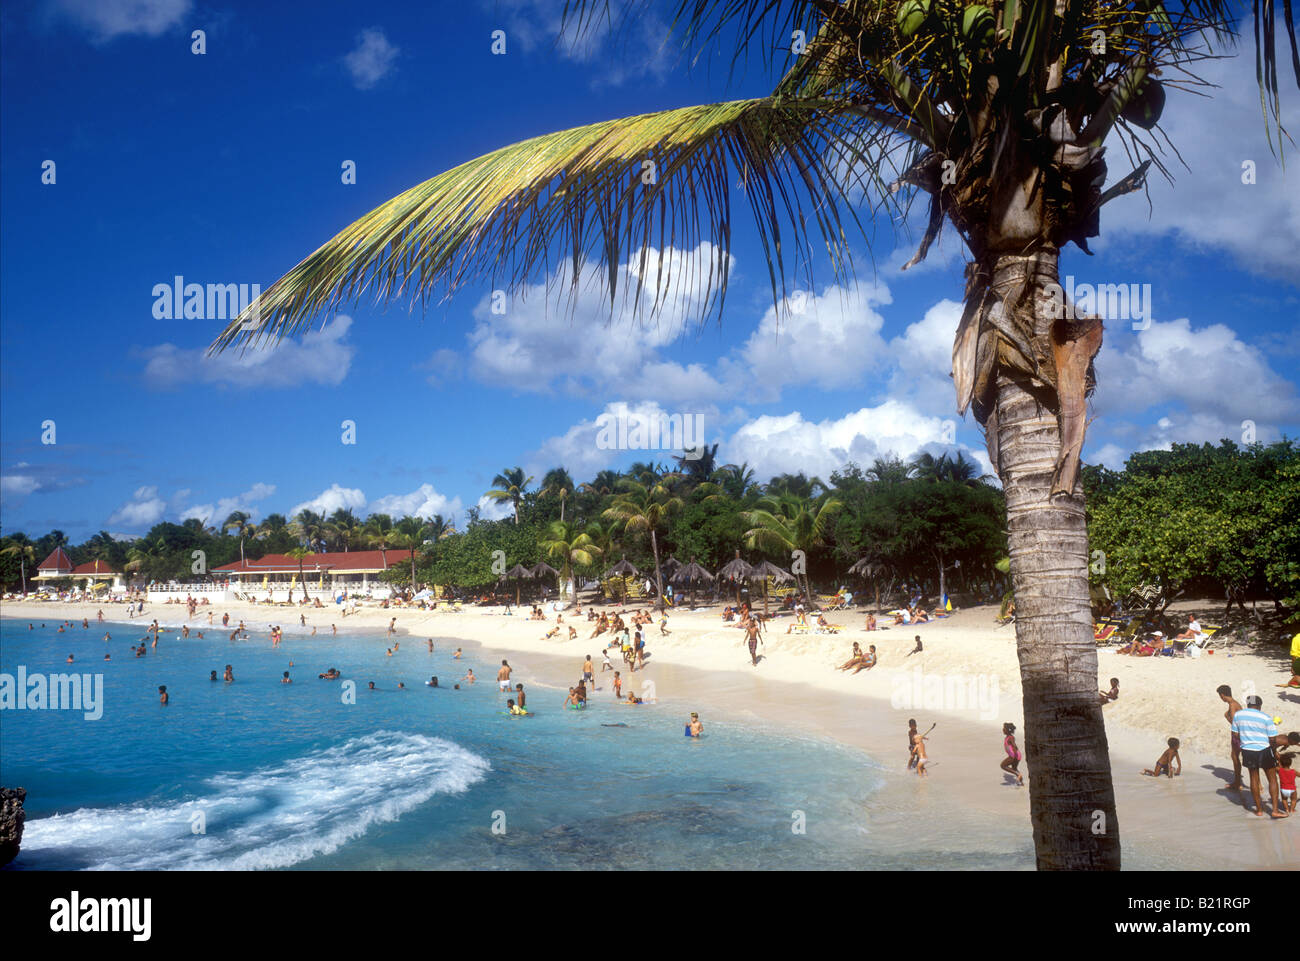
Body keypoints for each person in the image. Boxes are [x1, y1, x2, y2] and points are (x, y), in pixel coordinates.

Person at [1232, 696, 1287, 818]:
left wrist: (1246, 740)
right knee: (1272, 779)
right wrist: (1274, 752)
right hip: (1264, 750)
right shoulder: (1266, 717)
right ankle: (1275, 810)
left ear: (1247, 704)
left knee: (1254, 779)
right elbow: (1272, 739)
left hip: (1247, 750)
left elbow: (1235, 734)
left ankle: (1259, 810)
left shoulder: (1238, 715)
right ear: (1260, 706)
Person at [1217, 685, 1245, 791]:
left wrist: (1227, 717)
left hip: (1238, 735)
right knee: (1236, 756)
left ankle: (1237, 783)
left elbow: (1234, 722)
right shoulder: (1234, 703)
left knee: (1235, 756)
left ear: (1222, 695)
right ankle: (1238, 782)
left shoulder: (1232, 705)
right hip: (1240, 734)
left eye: (1220, 696)